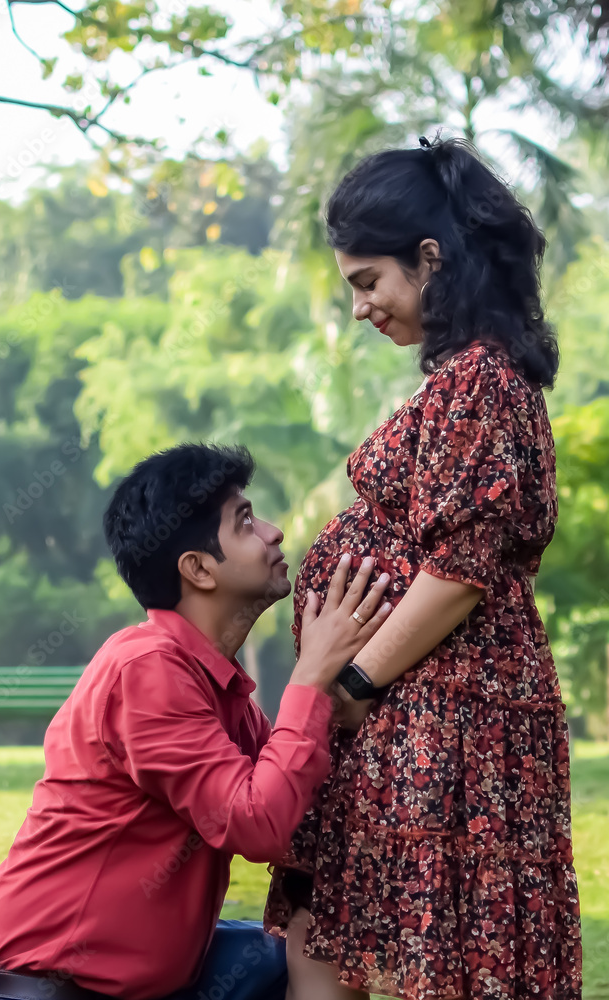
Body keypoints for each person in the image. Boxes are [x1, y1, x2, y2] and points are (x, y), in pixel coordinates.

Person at [263, 135, 583, 1000]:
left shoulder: (481, 382)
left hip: (445, 719)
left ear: (430, 260)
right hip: (422, 713)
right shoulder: (472, 379)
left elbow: (462, 565)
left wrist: (356, 682)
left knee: (421, 958)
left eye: (369, 282)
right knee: (332, 938)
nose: (361, 308)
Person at [0, 442, 393, 1000]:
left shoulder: (215, 683)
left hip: (149, 983)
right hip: (49, 989)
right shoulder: (147, 671)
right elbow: (258, 824)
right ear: (197, 569)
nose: (273, 533)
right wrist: (309, 680)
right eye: (244, 523)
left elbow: (294, 800)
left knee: (318, 944)